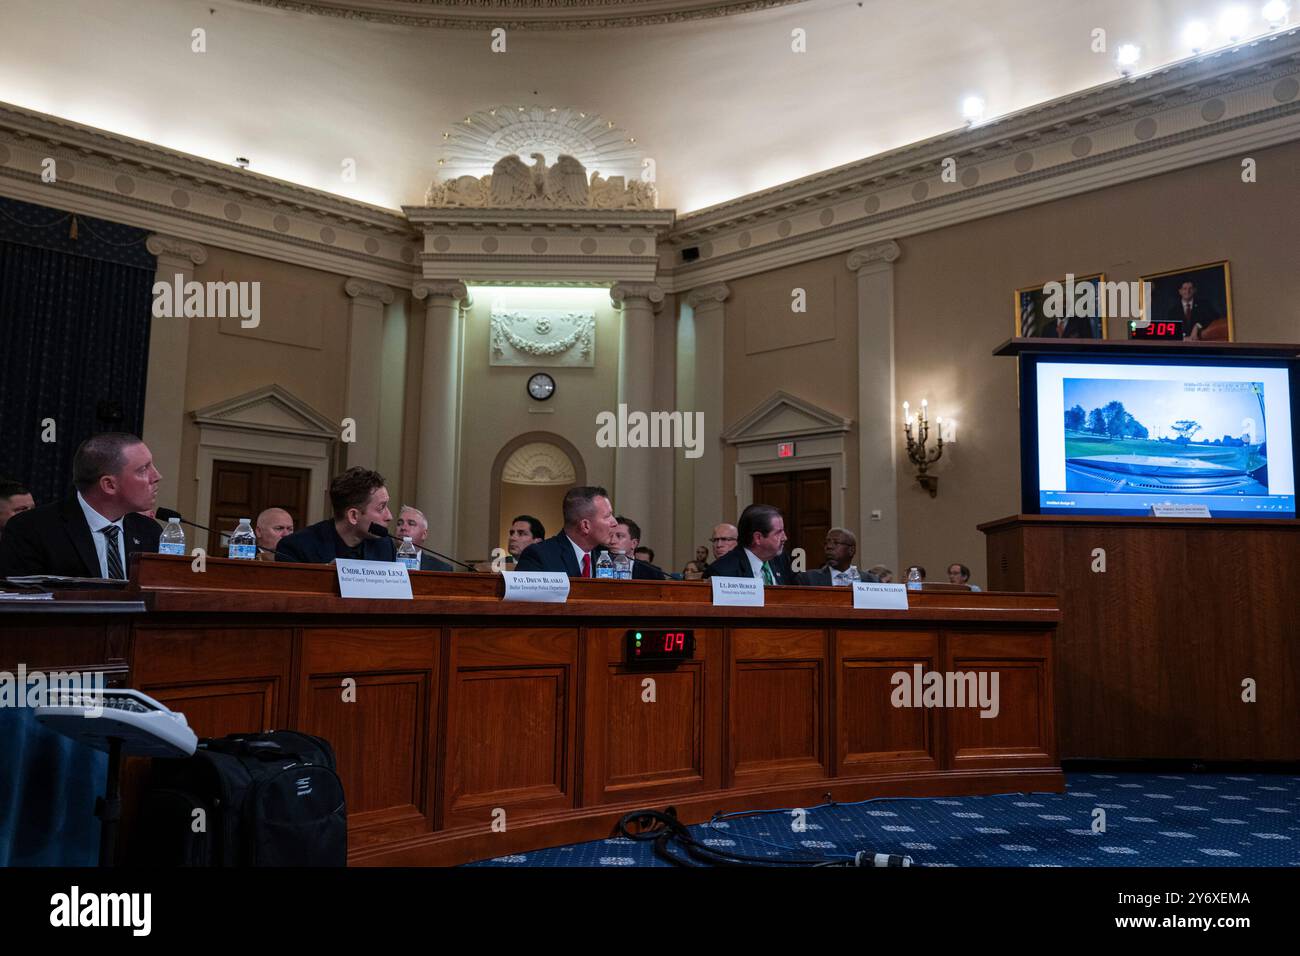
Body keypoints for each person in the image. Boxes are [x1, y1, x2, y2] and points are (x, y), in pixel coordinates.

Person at [0, 433, 162, 578]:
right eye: (143, 470)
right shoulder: (32, 529)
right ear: (109, 485)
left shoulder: (150, 531)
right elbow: (23, 602)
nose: (156, 476)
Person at [515, 486, 664, 579]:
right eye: (607, 516)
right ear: (585, 526)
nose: (614, 523)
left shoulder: (608, 557)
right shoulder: (539, 556)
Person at [275, 466, 396, 563]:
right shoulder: (296, 548)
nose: (389, 516)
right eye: (381, 508)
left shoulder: (385, 546)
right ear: (353, 516)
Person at [702, 504, 793, 584]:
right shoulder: (721, 571)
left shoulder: (781, 559)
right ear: (758, 538)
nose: (784, 538)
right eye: (778, 532)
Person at [798, 528, 879, 586]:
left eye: (836, 543)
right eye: (826, 543)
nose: (829, 546)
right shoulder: (809, 580)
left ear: (851, 550)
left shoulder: (872, 581)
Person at [394, 505, 453, 571]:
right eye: (399, 523)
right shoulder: (382, 560)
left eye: (411, 524)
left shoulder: (442, 569)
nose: (403, 528)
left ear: (424, 535)